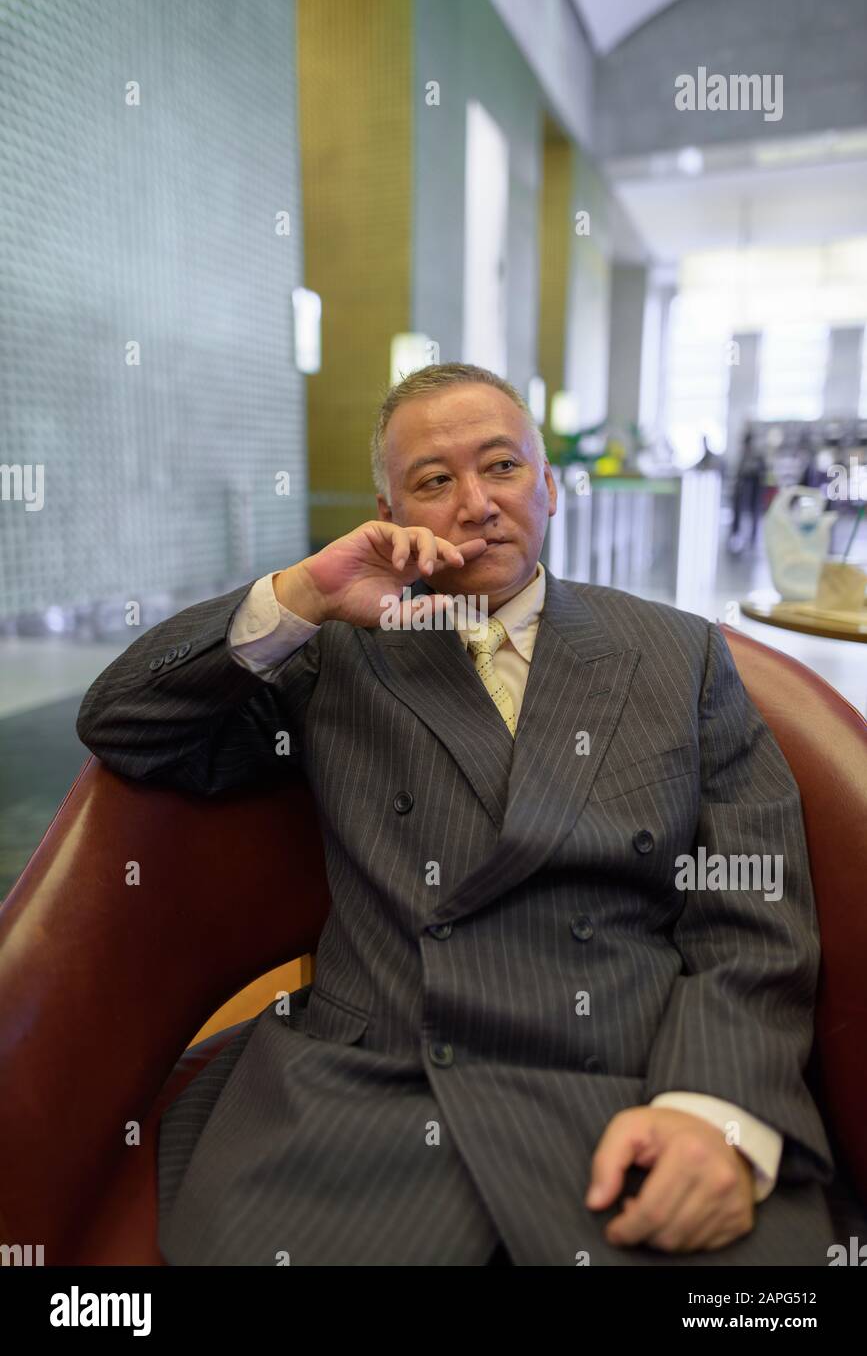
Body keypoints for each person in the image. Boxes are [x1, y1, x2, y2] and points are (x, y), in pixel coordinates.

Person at [75, 362, 835, 1266]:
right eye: (433, 481)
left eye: (502, 467)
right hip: (373, 1097)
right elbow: (125, 721)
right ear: (390, 516)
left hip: (628, 1093)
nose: (475, 504)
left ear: (548, 487)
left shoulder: (678, 656)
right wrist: (302, 599)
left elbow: (753, 915)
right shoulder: (340, 656)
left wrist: (709, 1114)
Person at [728, 429, 766, 550]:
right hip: (743, 490)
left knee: (754, 514)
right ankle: (736, 534)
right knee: (738, 512)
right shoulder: (743, 456)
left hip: (754, 490)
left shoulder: (757, 456)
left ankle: (753, 537)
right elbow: (739, 472)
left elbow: (762, 472)